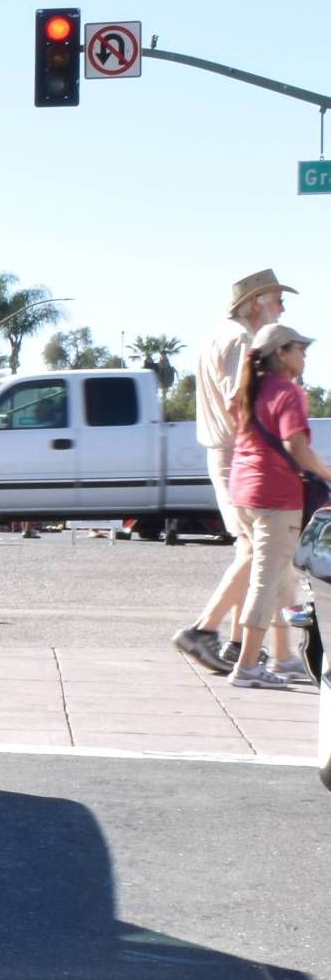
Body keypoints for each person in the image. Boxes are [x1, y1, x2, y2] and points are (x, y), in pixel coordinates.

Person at [175, 269, 294, 673]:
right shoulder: (240, 339)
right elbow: (238, 401)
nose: (282, 306)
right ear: (256, 301)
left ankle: (240, 643)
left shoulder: (218, 335)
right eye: (277, 298)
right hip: (236, 451)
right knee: (258, 548)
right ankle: (204, 630)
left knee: (253, 548)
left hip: (227, 452)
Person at [224, 325, 330, 689]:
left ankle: (284, 656)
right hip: (275, 497)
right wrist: (328, 472)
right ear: (281, 353)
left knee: (281, 577)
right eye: (300, 349)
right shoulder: (288, 392)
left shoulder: (249, 389)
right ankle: (247, 666)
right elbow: (296, 449)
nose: (304, 356)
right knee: (267, 581)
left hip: (244, 491)